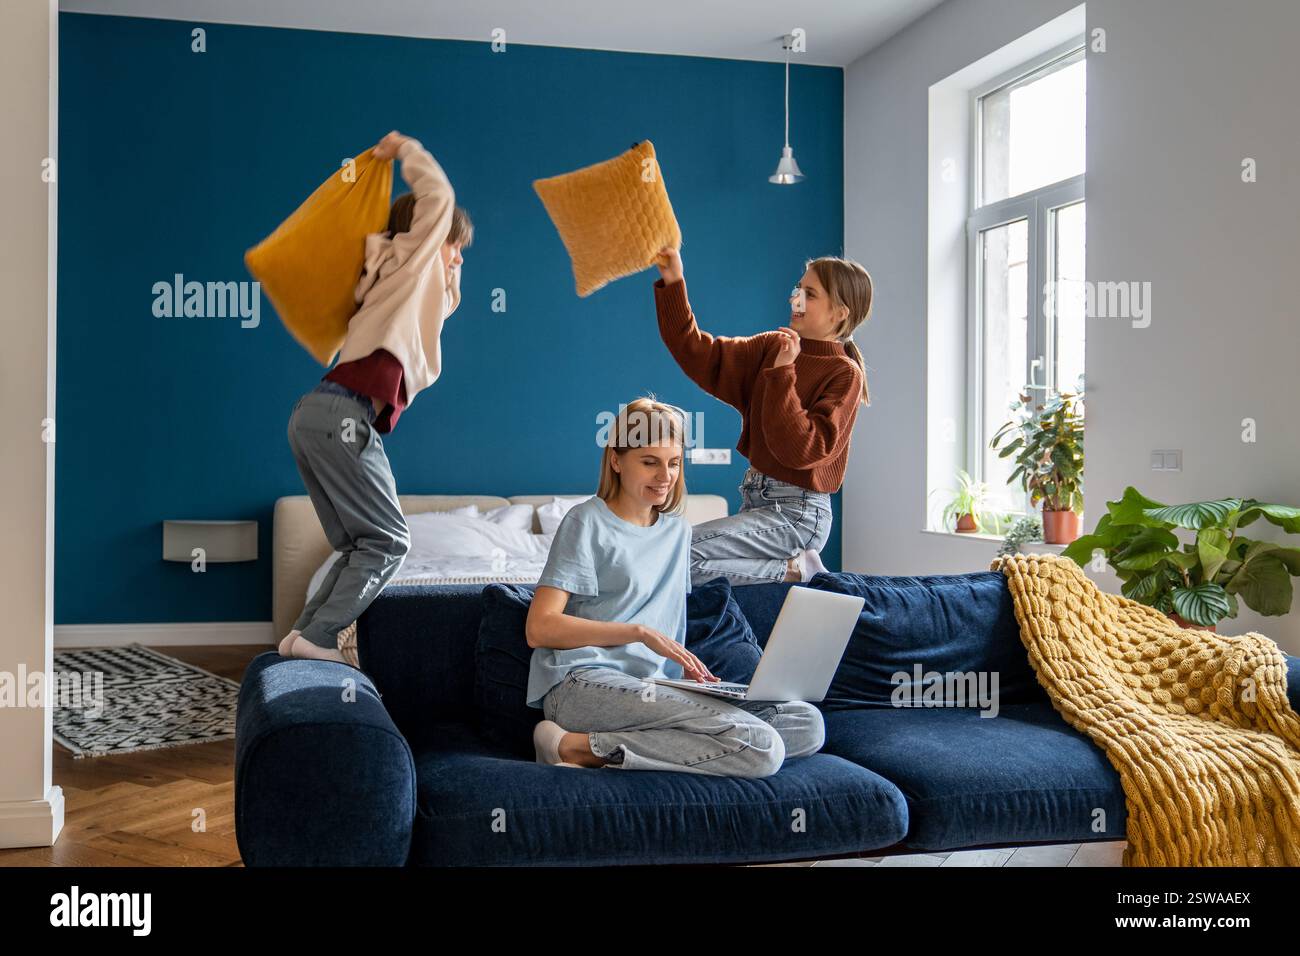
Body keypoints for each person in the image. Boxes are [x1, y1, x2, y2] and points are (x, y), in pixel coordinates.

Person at [526, 396, 825, 776]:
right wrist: (638, 634)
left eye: (673, 463)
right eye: (649, 462)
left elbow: (673, 609)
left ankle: (595, 747)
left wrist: (693, 680)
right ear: (616, 461)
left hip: (654, 687)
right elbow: (539, 628)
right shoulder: (586, 522)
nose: (664, 476)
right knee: (762, 746)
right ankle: (575, 746)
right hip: (584, 683)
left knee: (806, 723)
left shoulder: (677, 532)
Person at [279, 130, 473, 662]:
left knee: (358, 544)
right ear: (428, 235)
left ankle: (300, 638)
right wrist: (408, 149)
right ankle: (319, 641)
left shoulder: (393, 281)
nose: (457, 257)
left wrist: (450, 269)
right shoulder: (410, 260)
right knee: (390, 542)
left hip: (316, 414)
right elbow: (440, 201)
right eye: (454, 246)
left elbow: (439, 309)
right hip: (344, 415)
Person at [652, 246, 872, 587]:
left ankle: (797, 571)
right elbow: (695, 351)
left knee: (673, 552)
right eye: (798, 289)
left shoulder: (844, 374)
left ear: (839, 313)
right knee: (676, 567)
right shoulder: (773, 347)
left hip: (799, 514)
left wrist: (783, 373)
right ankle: (787, 575)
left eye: (809, 294)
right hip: (757, 500)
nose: (795, 299)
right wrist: (673, 280)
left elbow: (801, 450)